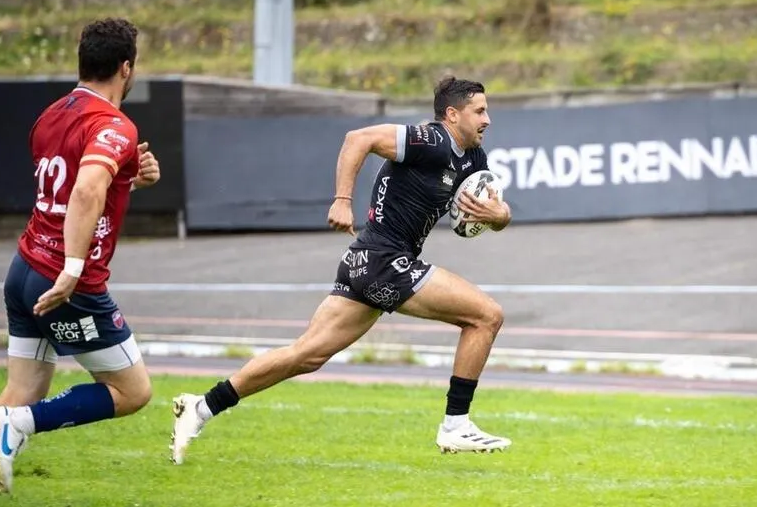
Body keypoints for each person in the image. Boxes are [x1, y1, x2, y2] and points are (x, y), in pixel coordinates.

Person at [170, 76, 512, 464]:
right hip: (385, 261)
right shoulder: (430, 140)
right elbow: (358, 139)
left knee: (305, 356)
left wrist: (499, 215)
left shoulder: (473, 159)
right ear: (452, 115)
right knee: (486, 316)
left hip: (366, 262)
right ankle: (456, 424)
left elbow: (495, 212)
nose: (488, 119)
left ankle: (199, 408)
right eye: (480, 111)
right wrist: (342, 200)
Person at [0, 18, 161, 507]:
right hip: (65, 281)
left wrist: (129, 182)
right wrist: (73, 267)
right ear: (126, 67)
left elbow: (74, 192)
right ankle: (18, 426)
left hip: (25, 269)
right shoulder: (116, 125)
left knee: (22, 389)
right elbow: (86, 190)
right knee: (132, 392)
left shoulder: (51, 114)